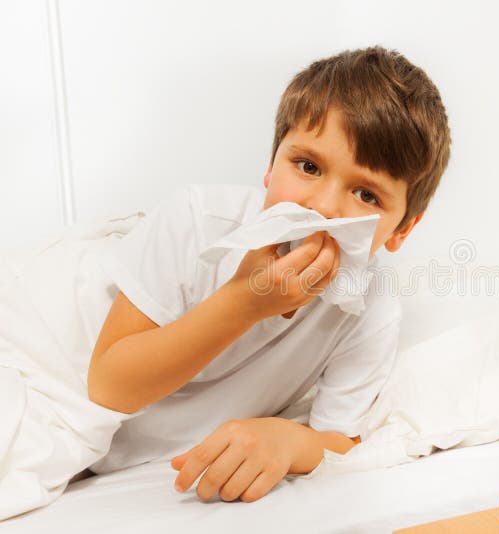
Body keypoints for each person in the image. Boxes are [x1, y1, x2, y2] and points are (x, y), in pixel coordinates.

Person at [83, 45, 452, 504]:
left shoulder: (371, 306)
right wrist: (244, 302)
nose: (322, 206)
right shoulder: (197, 220)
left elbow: (339, 439)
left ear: (401, 230)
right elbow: (107, 385)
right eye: (308, 166)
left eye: (366, 195)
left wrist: (290, 441)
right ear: (271, 163)